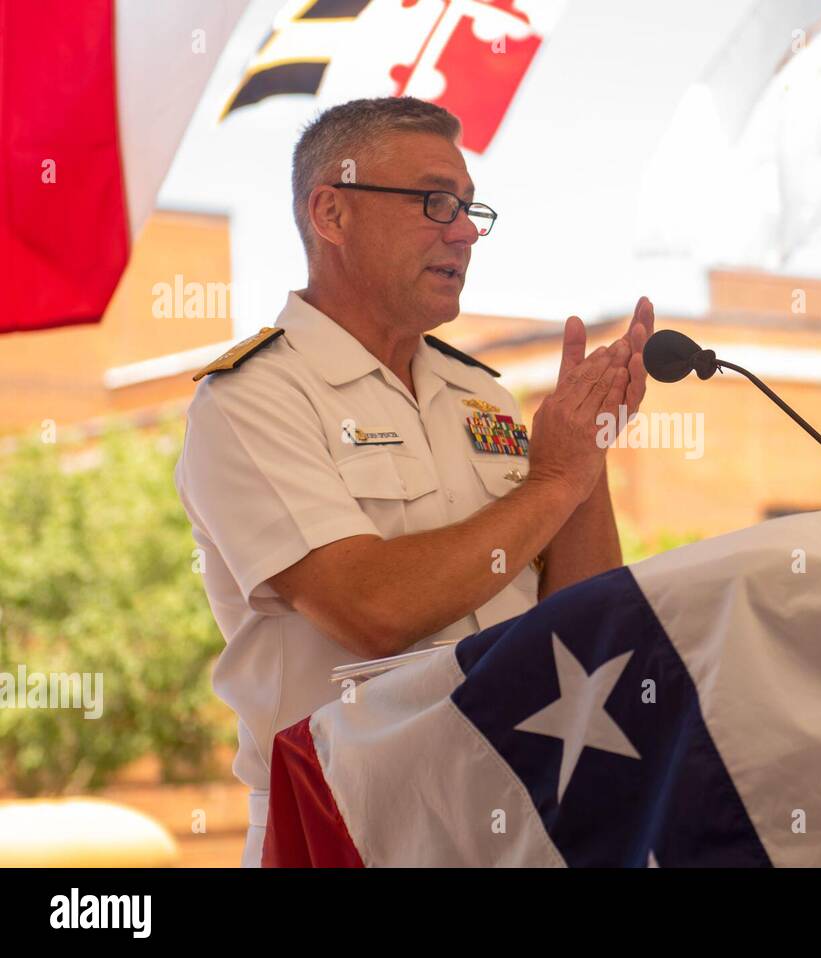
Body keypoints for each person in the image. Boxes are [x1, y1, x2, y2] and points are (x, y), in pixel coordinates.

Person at [173, 97, 652, 867]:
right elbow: (371, 606)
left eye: (468, 209)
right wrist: (554, 479)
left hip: (507, 814)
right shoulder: (252, 398)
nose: (463, 231)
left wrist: (583, 463)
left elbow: (581, 635)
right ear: (331, 211)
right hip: (346, 826)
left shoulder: (481, 396)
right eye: (435, 202)